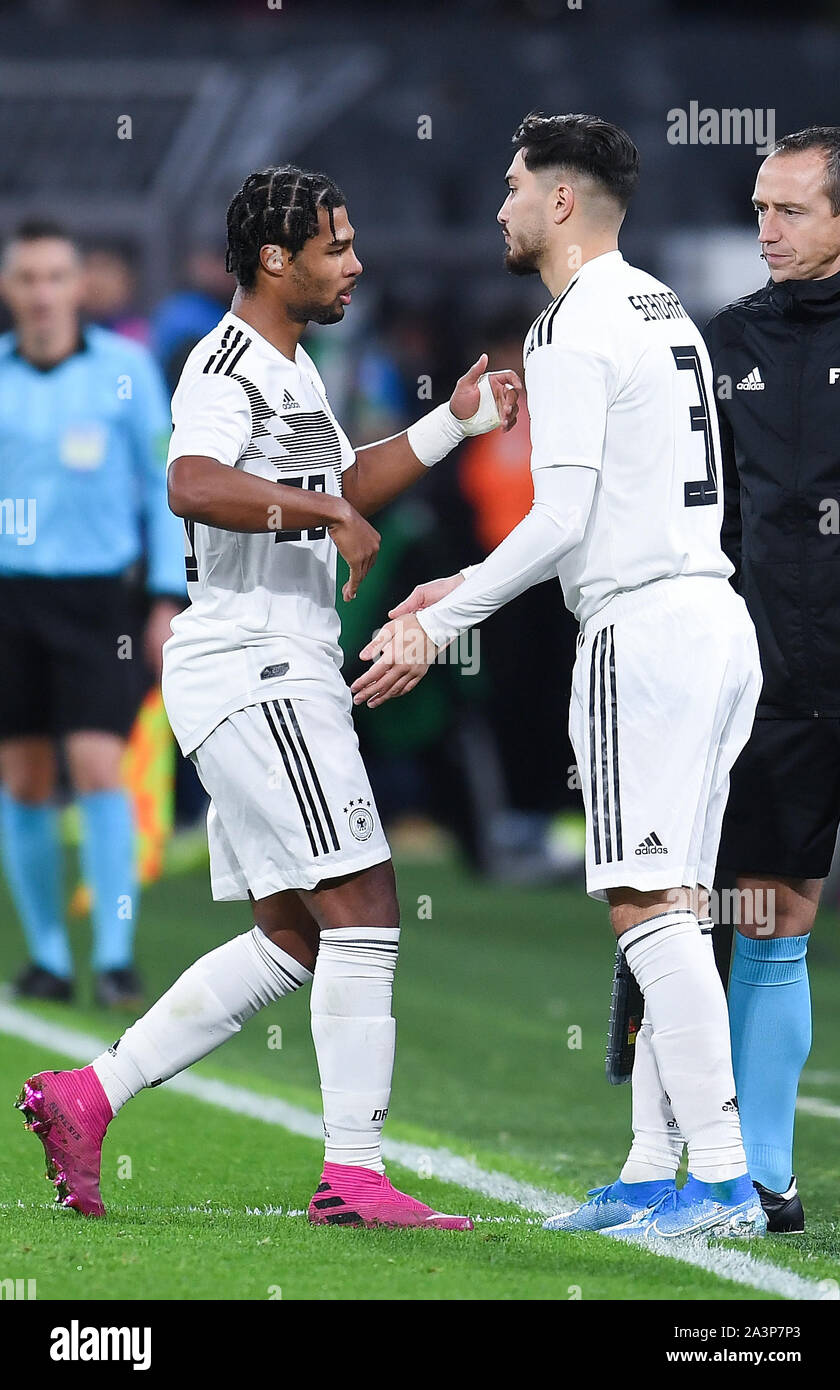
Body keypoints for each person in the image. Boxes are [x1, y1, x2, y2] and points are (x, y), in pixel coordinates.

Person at [16, 165, 521, 1229]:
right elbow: (191, 483)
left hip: (271, 665)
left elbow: (337, 489)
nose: (356, 264)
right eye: (337, 246)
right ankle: (353, 1172)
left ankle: (86, 1094)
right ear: (276, 258)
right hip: (256, 663)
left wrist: (450, 426)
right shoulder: (226, 362)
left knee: (294, 934)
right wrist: (318, 517)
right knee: (367, 897)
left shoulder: (293, 371)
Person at [353, 113, 767, 1241]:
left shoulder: (570, 324)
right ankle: (648, 1167)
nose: (498, 207)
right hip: (710, 617)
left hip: (642, 630)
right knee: (670, 905)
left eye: (511, 185)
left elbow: (561, 519)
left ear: (562, 202)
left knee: (643, 905)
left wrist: (447, 617)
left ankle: (721, 1176)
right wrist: (460, 592)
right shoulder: (661, 305)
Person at [704, 126, 840, 1233]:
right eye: (759, 206)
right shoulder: (728, 341)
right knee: (769, 917)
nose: (764, 227)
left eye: (790, 210)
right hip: (775, 676)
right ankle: (764, 1172)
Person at [0, 220, 185, 1007]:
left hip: (100, 597)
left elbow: (161, 482)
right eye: (27, 278)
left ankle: (113, 954)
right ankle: (46, 955)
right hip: (11, 595)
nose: (42, 293)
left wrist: (166, 598)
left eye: (55, 277)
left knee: (100, 763)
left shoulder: (126, 371)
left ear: (80, 286)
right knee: (25, 777)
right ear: (10, 289)